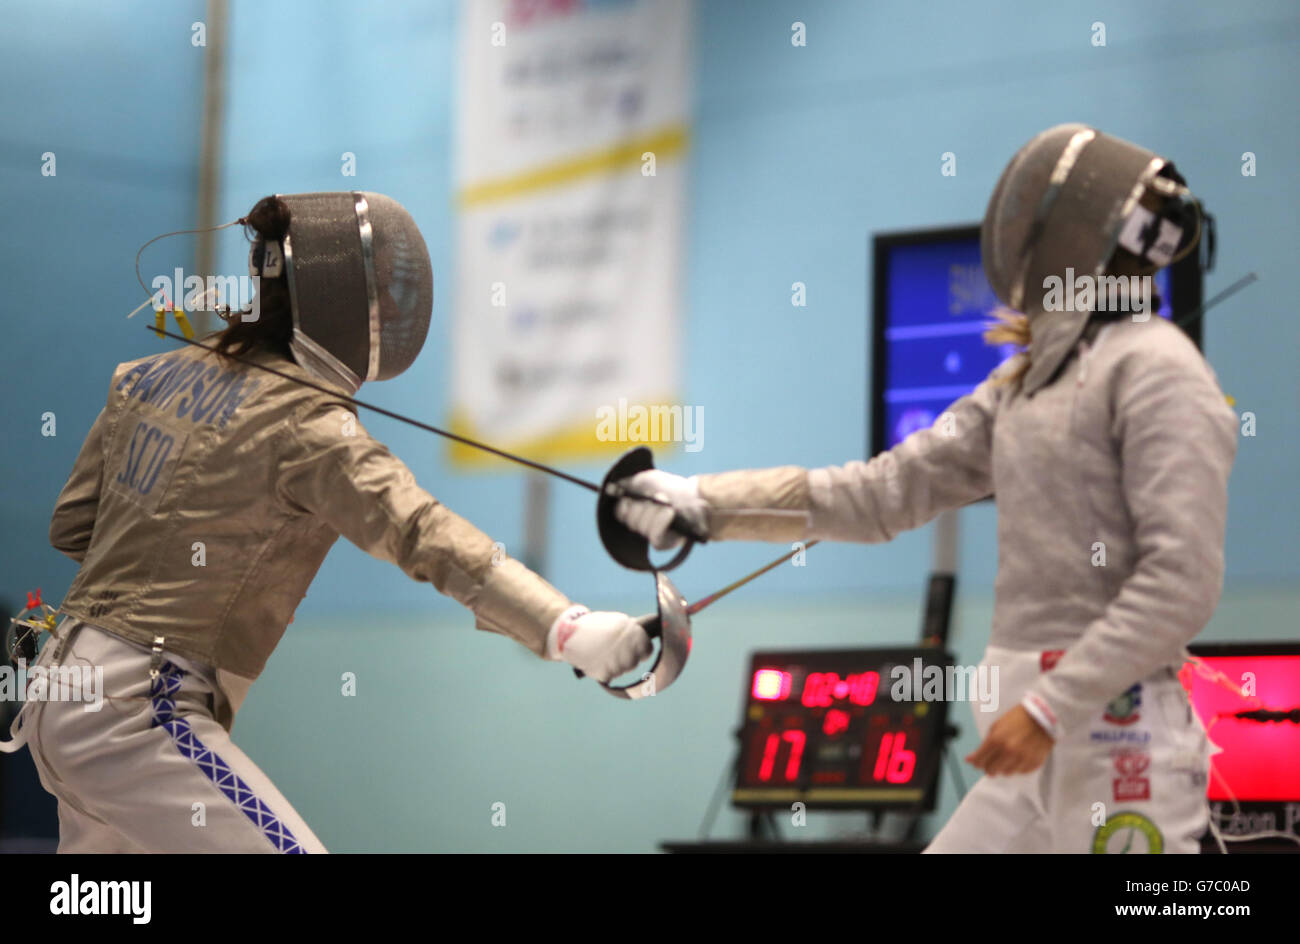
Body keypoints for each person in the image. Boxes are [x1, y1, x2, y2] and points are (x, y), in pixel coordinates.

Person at [613, 125, 1238, 854]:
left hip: (1110, 739)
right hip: (1030, 743)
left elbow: (1181, 582)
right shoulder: (1025, 385)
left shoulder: (1160, 369)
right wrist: (701, 503)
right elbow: (885, 491)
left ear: (1091, 234)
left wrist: (1048, 709)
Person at [2, 192, 651, 853]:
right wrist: (562, 626)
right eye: (383, 292)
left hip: (58, 690)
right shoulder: (310, 424)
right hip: (140, 707)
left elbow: (72, 528)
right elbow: (419, 531)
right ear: (340, 298)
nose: (393, 308)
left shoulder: (146, 377)